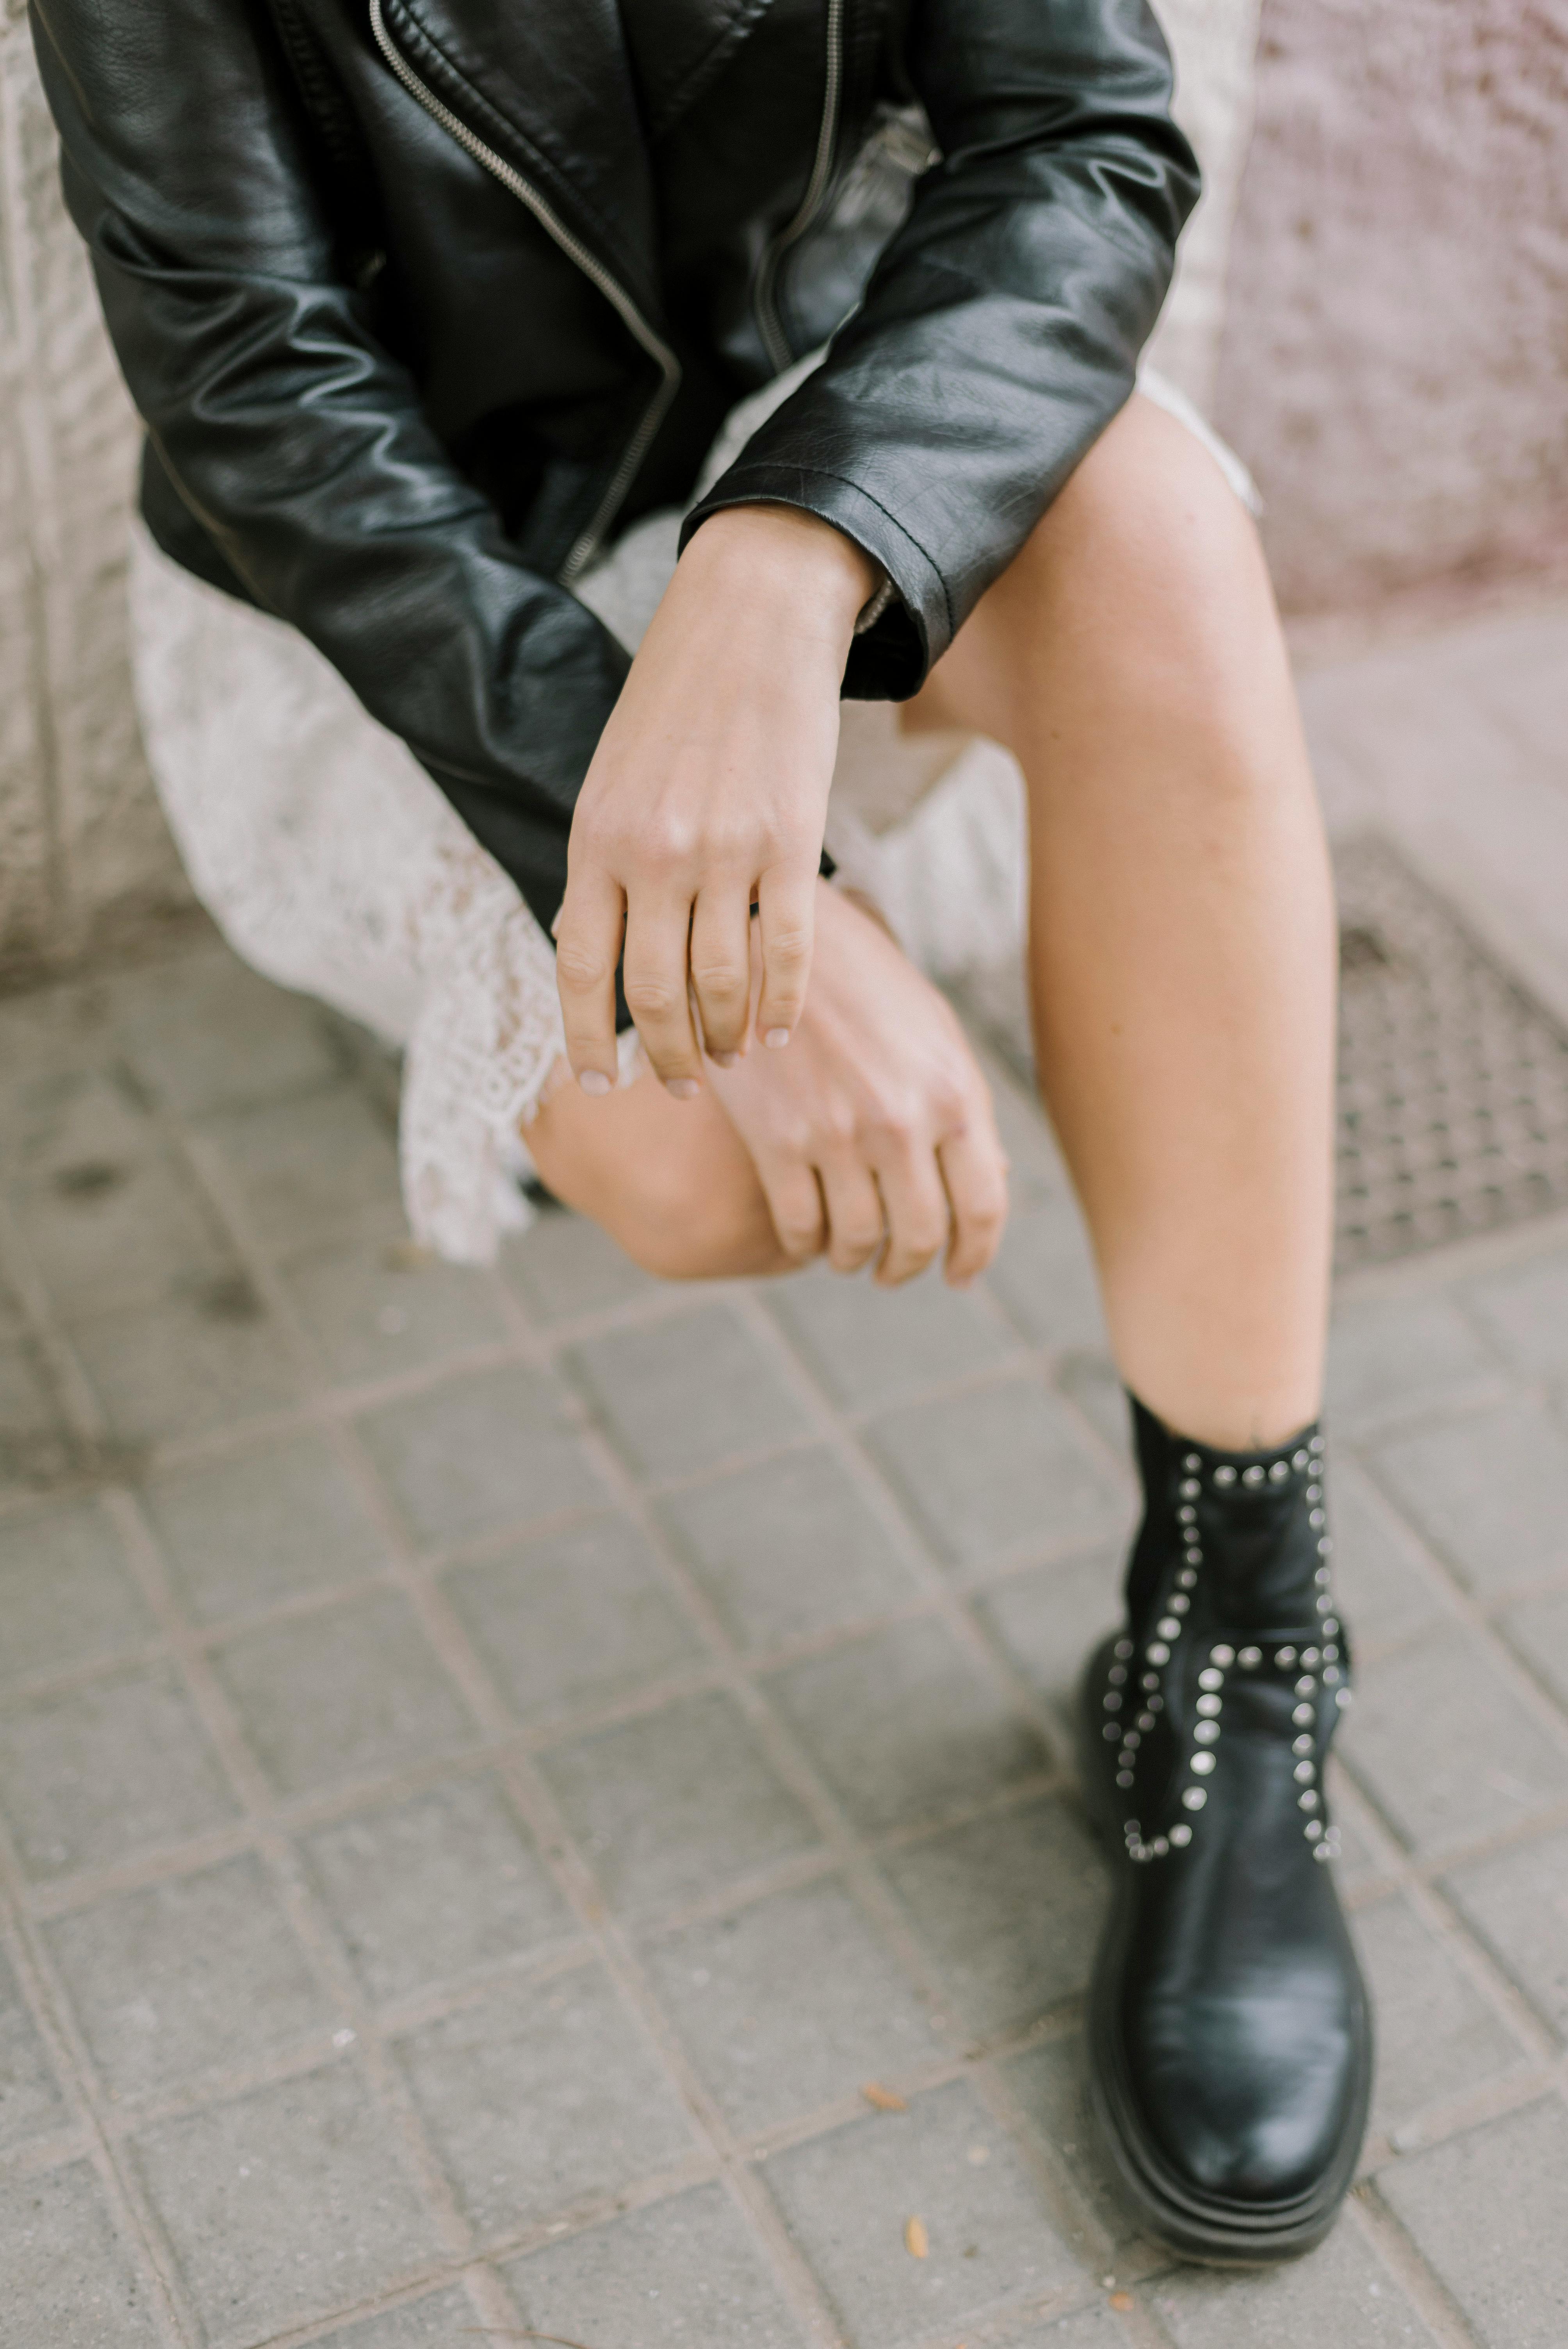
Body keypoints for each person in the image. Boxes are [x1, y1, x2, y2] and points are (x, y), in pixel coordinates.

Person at [32, 0, 1370, 2260]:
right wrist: (677, 878)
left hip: (800, 427)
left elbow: (1084, 133)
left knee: (1145, 525)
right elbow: (256, 370)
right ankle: (553, 1029)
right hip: (415, 576)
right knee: (728, 1174)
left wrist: (795, 553)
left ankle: (1236, 1649)